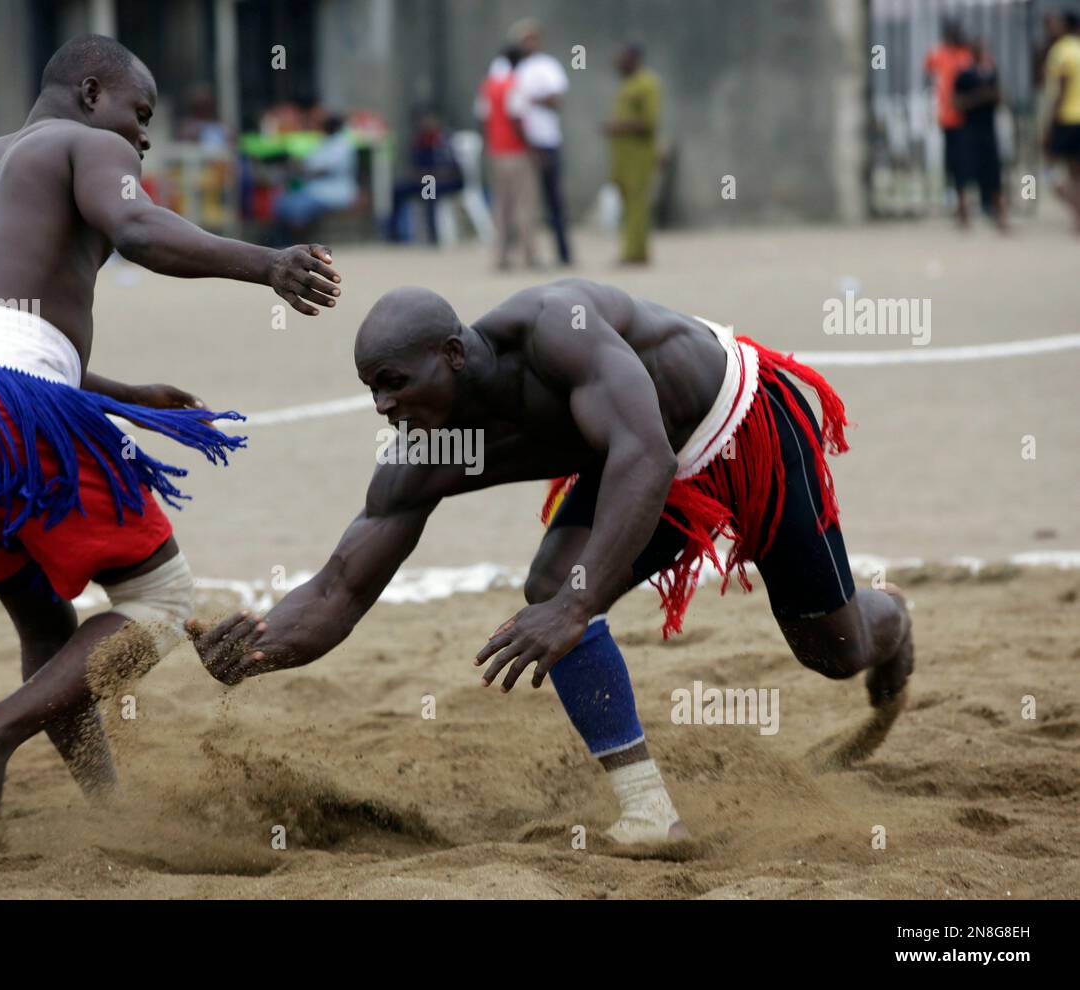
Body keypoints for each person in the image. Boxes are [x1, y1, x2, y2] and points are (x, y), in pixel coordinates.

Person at [189, 280, 914, 845]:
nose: (383, 405)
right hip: (636, 460)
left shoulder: (555, 330)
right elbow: (339, 585)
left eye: (394, 382)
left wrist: (575, 608)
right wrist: (257, 651)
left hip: (735, 421)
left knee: (835, 651)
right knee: (552, 584)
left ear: (453, 353)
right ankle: (648, 811)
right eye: (371, 389)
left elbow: (646, 455)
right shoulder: (427, 451)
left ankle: (894, 622)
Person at [0, 34, 342, 828]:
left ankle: (109, 808)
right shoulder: (88, 144)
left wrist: (120, 396)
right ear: (92, 93)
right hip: (3, 397)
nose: (145, 137)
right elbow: (140, 231)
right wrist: (267, 265)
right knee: (160, 598)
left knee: (48, 625)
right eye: (139, 113)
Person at [510, 19, 572, 265]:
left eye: (533, 38)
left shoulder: (548, 66)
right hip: (522, 145)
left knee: (554, 199)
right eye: (526, 39)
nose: (530, 43)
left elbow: (556, 101)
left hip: (547, 141)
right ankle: (528, 254)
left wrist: (532, 99)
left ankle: (564, 253)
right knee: (526, 203)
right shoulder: (514, 69)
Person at [476, 45, 538, 270]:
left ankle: (501, 257)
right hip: (516, 152)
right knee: (525, 204)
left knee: (501, 206)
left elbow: (483, 118)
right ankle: (529, 256)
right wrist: (530, 147)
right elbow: (516, 118)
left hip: (497, 152)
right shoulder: (515, 85)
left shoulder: (488, 86)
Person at [603, 43, 662, 264]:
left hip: (640, 156)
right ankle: (631, 250)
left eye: (622, 59)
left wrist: (618, 127)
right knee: (628, 205)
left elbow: (650, 122)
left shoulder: (647, 84)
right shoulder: (627, 84)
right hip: (624, 158)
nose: (618, 64)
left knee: (638, 205)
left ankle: (635, 253)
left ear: (634, 59)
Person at [270, 113, 358, 245]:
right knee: (283, 201)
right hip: (316, 190)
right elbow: (309, 162)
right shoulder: (325, 142)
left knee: (298, 207)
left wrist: (305, 170)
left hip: (334, 191)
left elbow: (324, 168)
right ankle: (285, 241)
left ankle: (300, 243)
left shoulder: (342, 144)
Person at [953, 39, 1008, 232]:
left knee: (993, 175)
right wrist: (980, 96)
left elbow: (999, 97)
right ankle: (963, 217)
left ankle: (1001, 218)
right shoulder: (964, 76)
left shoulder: (991, 73)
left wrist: (990, 95)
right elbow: (958, 104)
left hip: (988, 131)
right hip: (969, 131)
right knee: (964, 174)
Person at [385, 109, 463, 244]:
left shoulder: (445, 140)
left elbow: (453, 170)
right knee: (397, 190)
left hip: (446, 182)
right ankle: (393, 234)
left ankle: (432, 235)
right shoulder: (420, 141)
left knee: (429, 193)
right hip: (424, 180)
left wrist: (432, 174)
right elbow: (415, 167)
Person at [924, 19, 974, 225]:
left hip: (968, 119)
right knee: (952, 164)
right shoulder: (938, 54)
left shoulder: (967, 55)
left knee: (967, 163)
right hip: (947, 118)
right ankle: (957, 203)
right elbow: (928, 73)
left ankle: (968, 205)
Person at [1043, 11, 1080, 232]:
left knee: (1048, 168)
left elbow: (1061, 90)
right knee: (1075, 172)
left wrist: (1048, 125)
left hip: (1066, 118)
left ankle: (1028, 192)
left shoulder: (1061, 51)